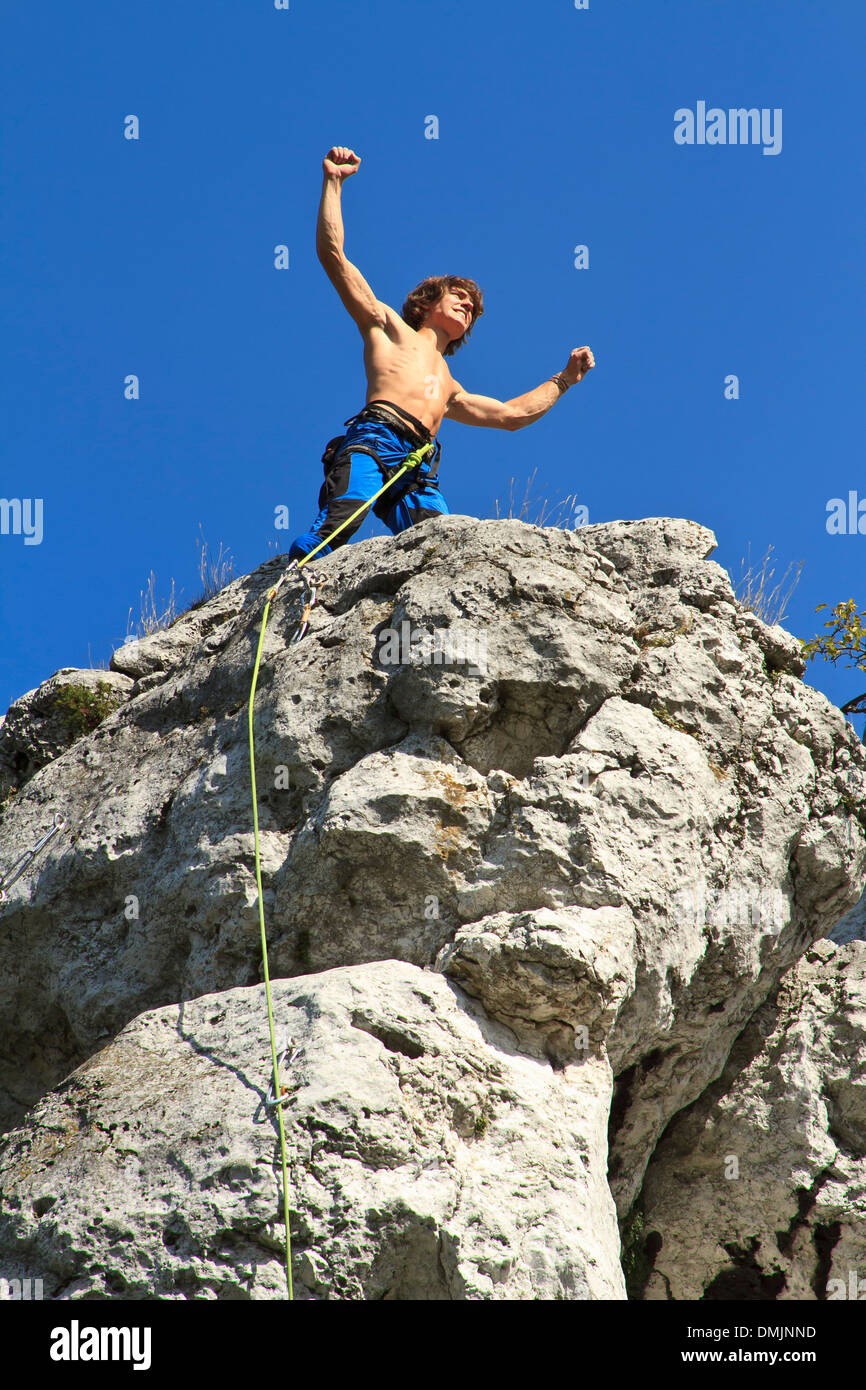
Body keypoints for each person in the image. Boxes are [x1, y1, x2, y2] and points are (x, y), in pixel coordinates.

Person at [288, 145, 595, 563]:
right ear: (425, 303)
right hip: (375, 438)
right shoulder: (388, 327)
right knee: (342, 517)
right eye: (458, 296)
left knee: (444, 547)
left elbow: (510, 416)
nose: (467, 305)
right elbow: (334, 257)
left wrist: (563, 381)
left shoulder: (450, 386)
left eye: (472, 306)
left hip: (417, 467)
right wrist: (334, 183)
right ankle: (294, 580)